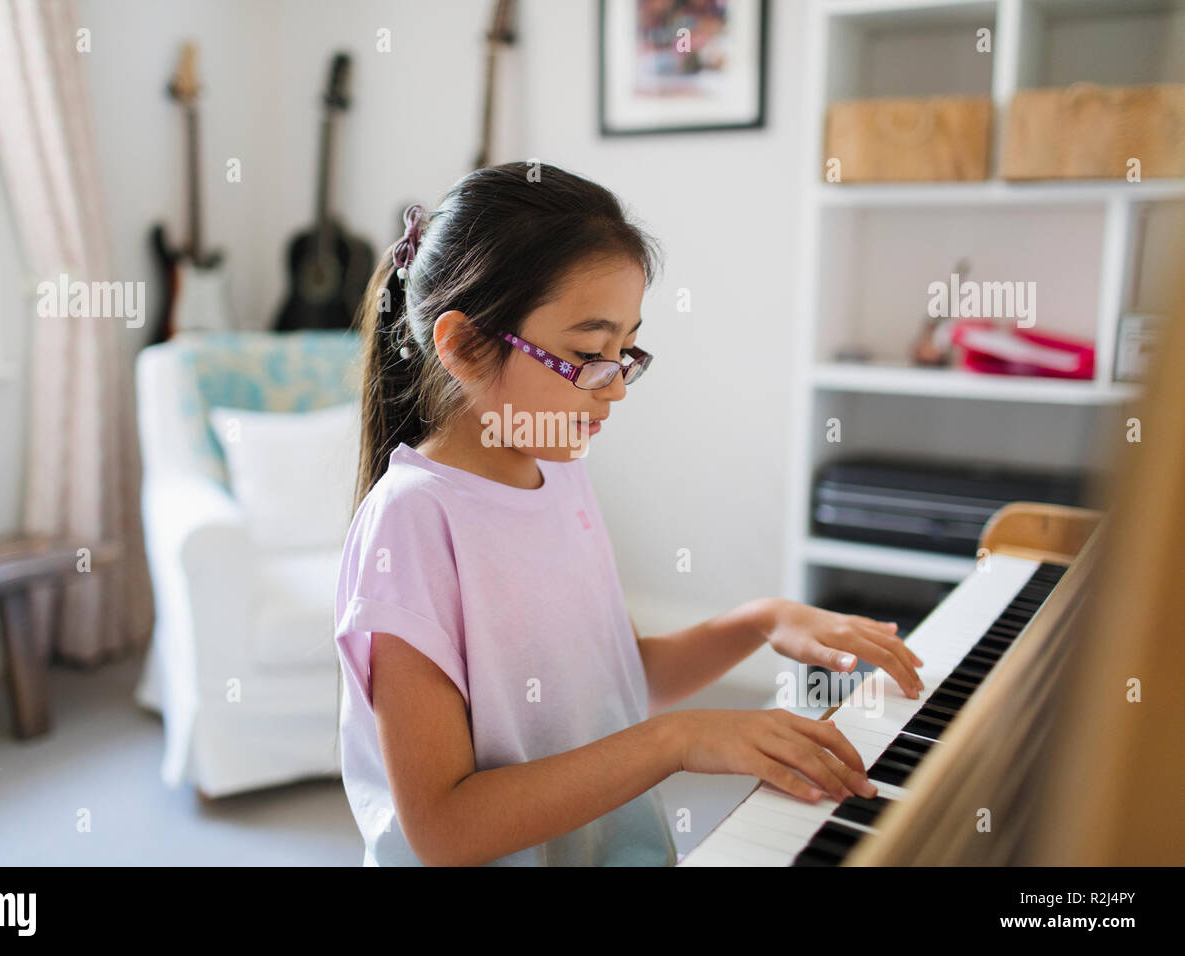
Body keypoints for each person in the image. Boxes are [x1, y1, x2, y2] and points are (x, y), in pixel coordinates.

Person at [332, 161, 924, 866]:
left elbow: (616, 679)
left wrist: (763, 620)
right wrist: (677, 742)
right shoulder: (412, 522)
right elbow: (445, 829)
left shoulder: (559, 473)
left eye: (624, 351)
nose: (613, 388)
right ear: (461, 344)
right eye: (587, 353)